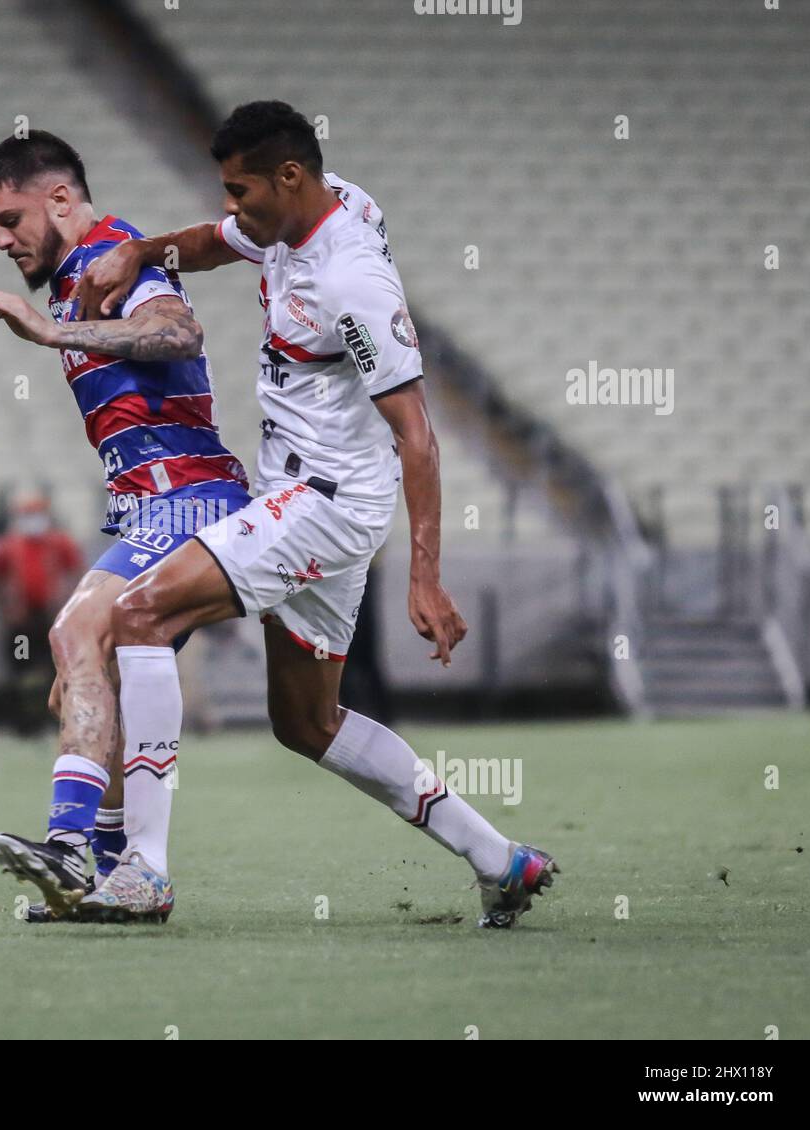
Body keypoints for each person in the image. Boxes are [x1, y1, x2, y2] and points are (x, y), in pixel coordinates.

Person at [70, 101, 557, 928]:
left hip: (323, 505)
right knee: (307, 722)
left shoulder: (351, 280)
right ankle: (499, 860)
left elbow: (418, 435)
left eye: (240, 190)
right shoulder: (297, 217)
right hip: (305, 498)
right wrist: (141, 252)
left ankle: (143, 869)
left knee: (138, 616)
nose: (232, 208)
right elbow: (214, 245)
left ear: (289, 177)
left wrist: (427, 580)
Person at [0, 129, 253, 918]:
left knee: (72, 635)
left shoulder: (117, 252)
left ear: (60, 199)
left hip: (193, 494)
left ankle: (67, 850)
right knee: (79, 691)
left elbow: (179, 332)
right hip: (150, 506)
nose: (0, 238)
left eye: (11, 217)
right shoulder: (67, 279)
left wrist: (56, 331)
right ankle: (116, 874)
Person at [0, 493, 83, 737]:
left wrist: (66, 606)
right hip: (23, 624)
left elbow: (76, 574)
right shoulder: (10, 546)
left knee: (53, 669)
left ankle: (52, 719)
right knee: (23, 669)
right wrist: (8, 609)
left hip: (50, 621)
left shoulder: (59, 543)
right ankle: (25, 722)